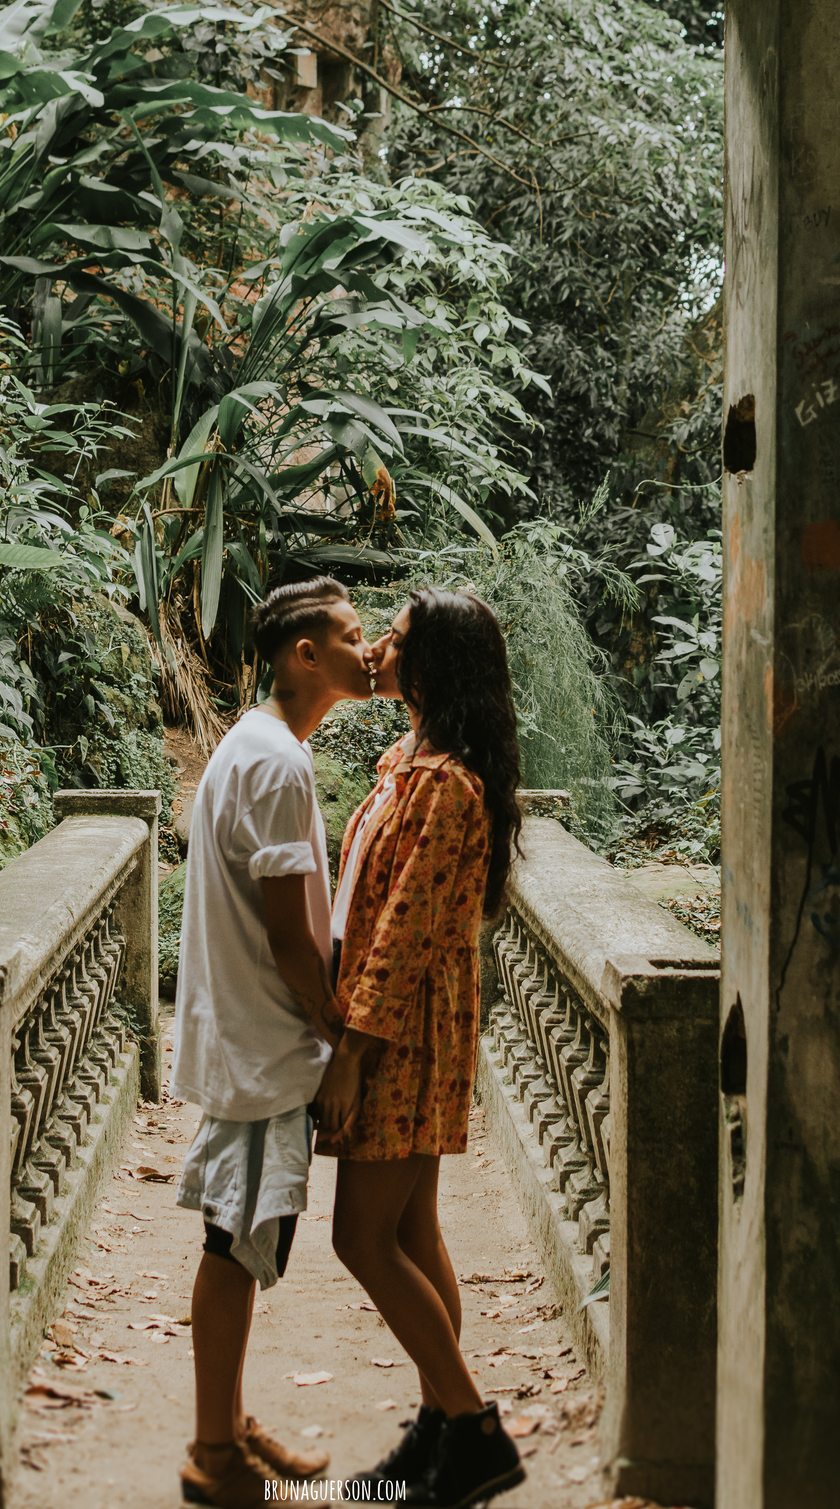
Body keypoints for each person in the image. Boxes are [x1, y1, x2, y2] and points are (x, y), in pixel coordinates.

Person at [315, 588, 525, 1509]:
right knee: (409, 1232)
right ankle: (441, 1431)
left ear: (433, 663)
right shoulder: (412, 762)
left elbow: (403, 934)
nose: (378, 652)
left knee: (359, 1238)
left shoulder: (447, 788)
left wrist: (352, 1056)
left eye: (395, 642)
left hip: (402, 1035)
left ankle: (473, 1430)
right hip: (397, 1026)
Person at [171, 576, 372, 1509]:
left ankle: (227, 1422)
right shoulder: (279, 763)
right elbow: (292, 938)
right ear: (307, 654)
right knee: (234, 1243)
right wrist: (340, 1031)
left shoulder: (253, 744)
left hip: (244, 1036)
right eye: (353, 635)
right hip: (263, 1044)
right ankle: (214, 1454)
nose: (368, 650)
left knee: (239, 1239)